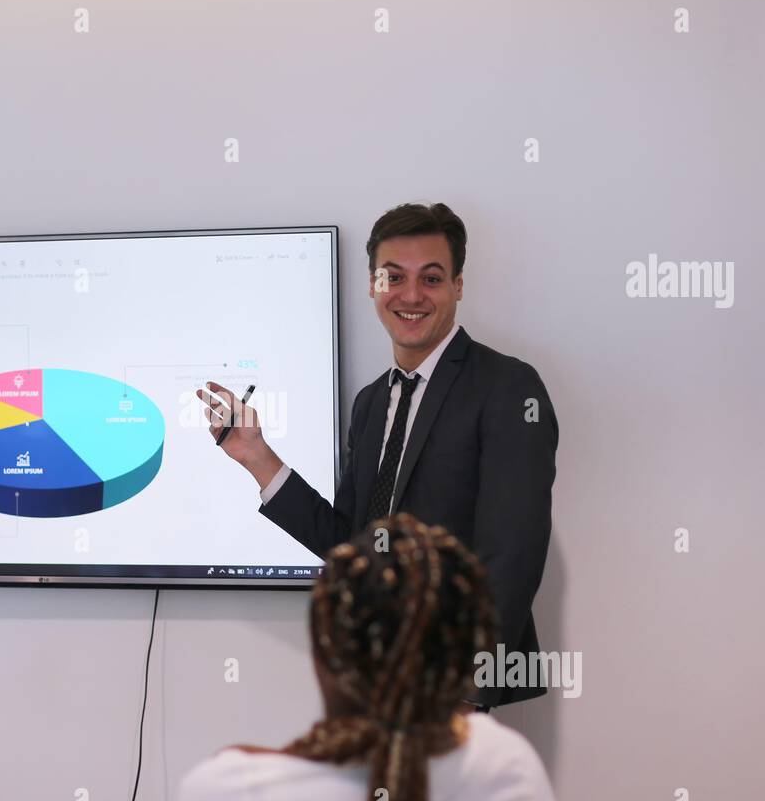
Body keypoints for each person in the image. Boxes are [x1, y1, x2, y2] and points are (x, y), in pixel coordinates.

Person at [197, 202, 558, 708]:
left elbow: (513, 556)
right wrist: (258, 457)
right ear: (372, 285)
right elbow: (349, 546)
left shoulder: (507, 387)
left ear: (458, 285)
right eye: (394, 277)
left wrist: (466, 693)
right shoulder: (371, 403)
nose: (410, 295)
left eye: (431, 279)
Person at [174, 514, 556, 801]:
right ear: (464, 658)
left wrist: (270, 762)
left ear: (324, 654)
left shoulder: (226, 796)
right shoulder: (510, 771)